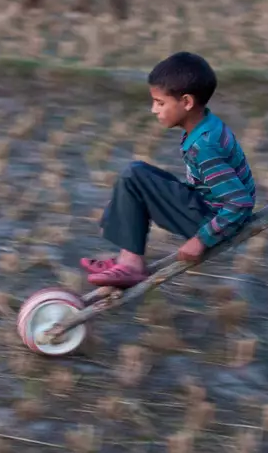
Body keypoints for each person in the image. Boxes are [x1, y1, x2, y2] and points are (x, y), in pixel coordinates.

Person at [81, 51, 257, 288]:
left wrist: (201, 240)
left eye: (160, 103)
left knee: (134, 176)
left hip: (213, 222)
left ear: (186, 102)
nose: (154, 110)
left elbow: (239, 203)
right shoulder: (206, 125)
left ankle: (130, 264)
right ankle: (127, 259)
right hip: (208, 208)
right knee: (136, 175)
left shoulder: (204, 146)